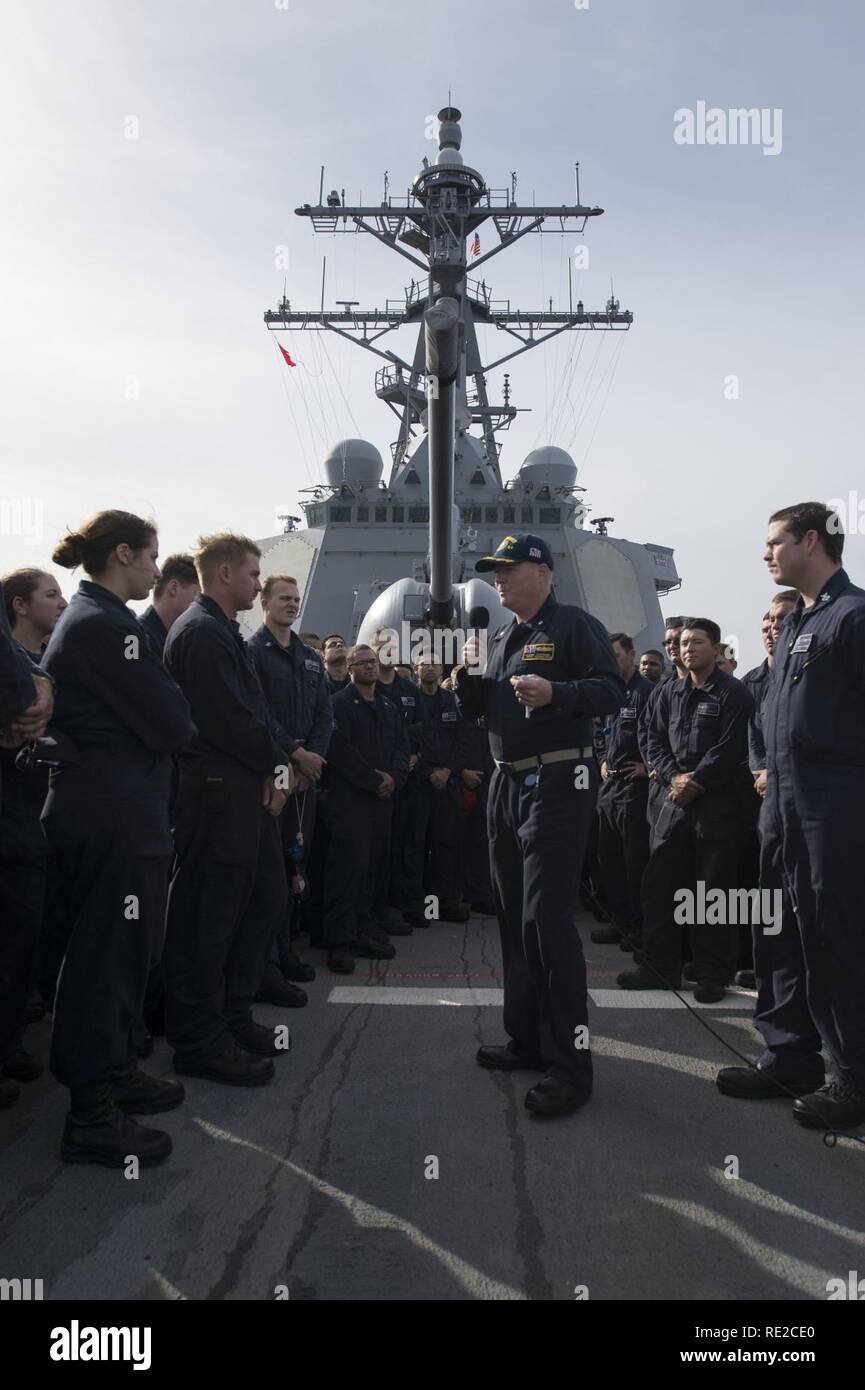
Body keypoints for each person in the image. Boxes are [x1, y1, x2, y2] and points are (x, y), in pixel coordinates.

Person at [39, 511, 194, 1165]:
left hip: (114, 811)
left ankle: (114, 1075)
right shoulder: (105, 627)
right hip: (113, 817)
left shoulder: (100, 620)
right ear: (123, 554)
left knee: (124, 956)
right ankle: (91, 1115)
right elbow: (173, 722)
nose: (158, 571)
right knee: (105, 962)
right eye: (152, 557)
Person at [455, 533, 625, 1119]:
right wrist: (466, 682)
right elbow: (480, 712)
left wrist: (558, 692)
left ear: (543, 572)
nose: (498, 579)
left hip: (558, 783)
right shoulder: (499, 637)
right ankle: (526, 1038)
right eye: (494, 571)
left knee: (545, 921)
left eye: (508, 568)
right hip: (505, 781)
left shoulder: (574, 626)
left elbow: (612, 690)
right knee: (512, 919)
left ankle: (570, 1065)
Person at [717, 503, 865, 1129]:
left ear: (811, 540)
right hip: (782, 808)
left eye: (774, 542)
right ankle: (790, 1057)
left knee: (834, 941)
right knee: (777, 935)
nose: (765, 554)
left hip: (832, 809)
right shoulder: (802, 623)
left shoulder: (852, 618)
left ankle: (854, 1080)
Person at [163, 534, 293, 1086]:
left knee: (261, 900)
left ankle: (233, 1014)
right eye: (252, 575)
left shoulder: (223, 632)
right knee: (209, 919)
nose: (258, 585)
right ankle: (198, 1038)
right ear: (222, 575)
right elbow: (231, 722)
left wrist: (276, 767)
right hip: (218, 793)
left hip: (246, 789)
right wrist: (277, 766)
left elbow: (256, 711)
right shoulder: (200, 634)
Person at [621, 618, 753, 1002]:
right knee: (660, 887)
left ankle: (713, 973)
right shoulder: (668, 692)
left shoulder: (734, 694)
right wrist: (672, 777)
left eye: (697, 641)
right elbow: (650, 738)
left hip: (716, 805)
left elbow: (730, 748)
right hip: (672, 803)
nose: (688, 647)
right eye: (683, 641)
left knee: (712, 892)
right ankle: (660, 967)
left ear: (716, 649)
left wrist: (693, 780)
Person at [247, 575, 331, 1002]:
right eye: (284, 598)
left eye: (296, 599)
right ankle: (265, 964)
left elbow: (323, 716)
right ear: (264, 602)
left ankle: (285, 950)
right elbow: (257, 713)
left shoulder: (311, 659)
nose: (292, 605)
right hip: (272, 775)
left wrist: (308, 762)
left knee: (297, 867)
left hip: (304, 779)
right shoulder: (253, 653)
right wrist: (294, 756)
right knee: (270, 877)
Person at [0, 570, 68, 1092]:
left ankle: (10, 1043)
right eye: (50, 594)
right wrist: (35, 687)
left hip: (27, 812)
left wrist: (40, 681)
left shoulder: (39, 668)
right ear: (20, 606)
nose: (62, 601)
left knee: (24, 935)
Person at [320, 644, 409, 973]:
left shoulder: (388, 707)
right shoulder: (338, 705)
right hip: (351, 801)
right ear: (351, 667)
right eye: (363, 663)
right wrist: (374, 780)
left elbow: (402, 746)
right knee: (347, 870)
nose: (371, 667)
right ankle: (340, 941)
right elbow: (339, 751)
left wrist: (395, 779)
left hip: (382, 802)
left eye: (374, 662)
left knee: (374, 867)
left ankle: (365, 926)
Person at [591, 634, 654, 951]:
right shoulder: (609, 692)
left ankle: (640, 928)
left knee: (635, 862)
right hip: (609, 788)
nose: (611, 662)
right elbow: (598, 732)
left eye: (615, 655)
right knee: (609, 860)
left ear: (631, 655)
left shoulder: (646, 693)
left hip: (635, 790)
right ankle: (620, 922)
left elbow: (658, 736)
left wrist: (646, 765)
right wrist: (602, 758)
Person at [371, 627, 423, 932]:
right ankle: (381, 910)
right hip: (379, 783)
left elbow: (419, 729)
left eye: (393, 644)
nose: (389, 649)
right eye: (383, 645)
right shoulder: (369, 686)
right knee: (380, 850)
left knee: (408, 845)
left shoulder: (408, 689)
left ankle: (405, 905)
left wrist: (412, 758)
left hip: (407, 780)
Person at [413, 654, 472, 923]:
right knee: (416, 845)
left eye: (435, 663)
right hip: (419, 783)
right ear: (416, 669)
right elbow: (405, 741)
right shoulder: (410, 701)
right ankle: (421, 905)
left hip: (447, 782)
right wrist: (428, 773)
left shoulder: (452, 702)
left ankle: (447, 902)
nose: (430, 667)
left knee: (446, 844)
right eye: (424, 663)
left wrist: (448, 771)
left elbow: (463, 740)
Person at [138, 554, 200, 658]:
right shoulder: (137, 636)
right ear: (173, 588)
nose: (201, 603)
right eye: (198, 595)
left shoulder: (182, 640)